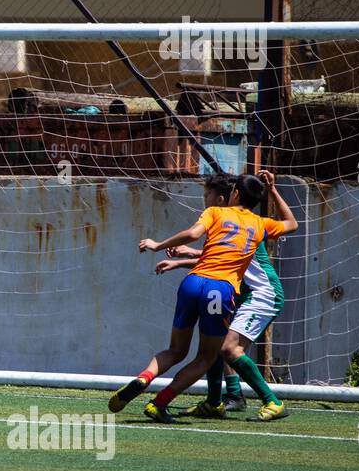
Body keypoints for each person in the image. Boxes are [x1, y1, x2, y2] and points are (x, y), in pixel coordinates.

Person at [112, 171, 296, 423]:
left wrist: (159, 245)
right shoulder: (260, 224)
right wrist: (273, 190)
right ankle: (163, 403)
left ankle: (146, 377)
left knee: (180, 350)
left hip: (202, 284)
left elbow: (195, 235)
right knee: (208, 354)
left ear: (234, 194)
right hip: (222, 290)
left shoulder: (215, 213)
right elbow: (291, 224)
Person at [156, 224, 289, 423]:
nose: (206, 199)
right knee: (214, 342)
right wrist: (184, 258)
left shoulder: (246, 222)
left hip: (263, 295)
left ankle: (272, 402)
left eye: (209, 193)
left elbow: (224, 256)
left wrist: (181, 256)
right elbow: (218, 258)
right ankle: (215, 402)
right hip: (243, 294)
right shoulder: (228, 220)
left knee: (230, 348)